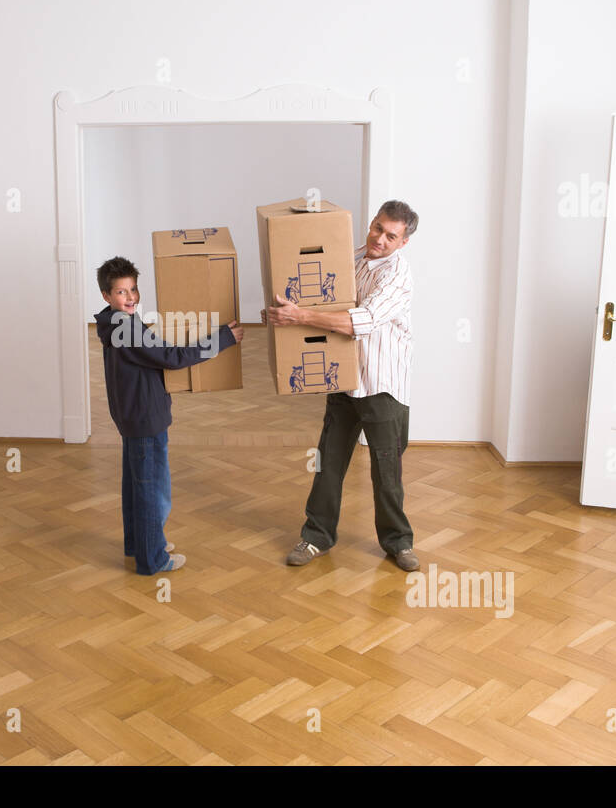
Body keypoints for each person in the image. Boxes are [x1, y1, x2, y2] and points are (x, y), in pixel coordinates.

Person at [262, 201, 419, 571]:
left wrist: (298, 316)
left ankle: (399, 543)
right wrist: (283, 309)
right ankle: (316, 536)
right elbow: (321, 296)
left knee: (387, 471)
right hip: (345, 379)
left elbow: (359, 321)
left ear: (403, 242)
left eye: (390, 235)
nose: (379, 239)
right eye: (377, 228)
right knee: (327, 463)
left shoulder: (398, 276)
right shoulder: (353, 257)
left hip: (383, 385)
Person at [94, 256, 244, 575]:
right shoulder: (126, 329)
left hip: (134, 415)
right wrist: (222, 339)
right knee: (151, 487)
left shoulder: (115, 321)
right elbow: (171, 358)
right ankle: (153, 559)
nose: (131, 297)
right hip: (144, 417)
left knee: (137, 483)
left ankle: (140, 545)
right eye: (121, 292)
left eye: (133, 289)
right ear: (106, 296)